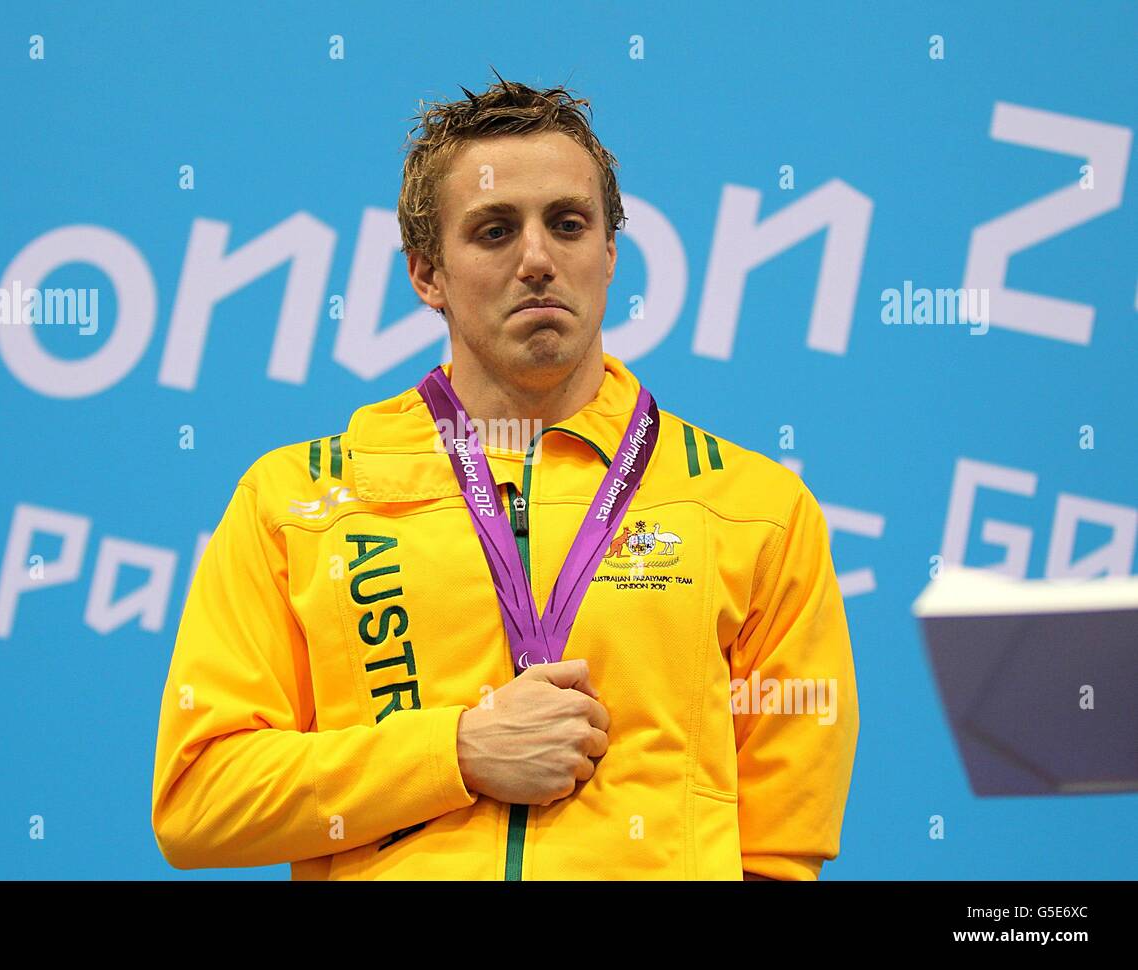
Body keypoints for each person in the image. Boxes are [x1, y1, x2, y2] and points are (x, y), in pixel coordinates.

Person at [151, 74, 858, 880]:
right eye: (493, 231)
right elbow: (198, 801)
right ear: (427, 274)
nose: (537, 260)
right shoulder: (298, 503)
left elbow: (779, 853)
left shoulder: (754, 509)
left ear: (610, 252)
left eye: (568, 224)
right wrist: (450, 752)